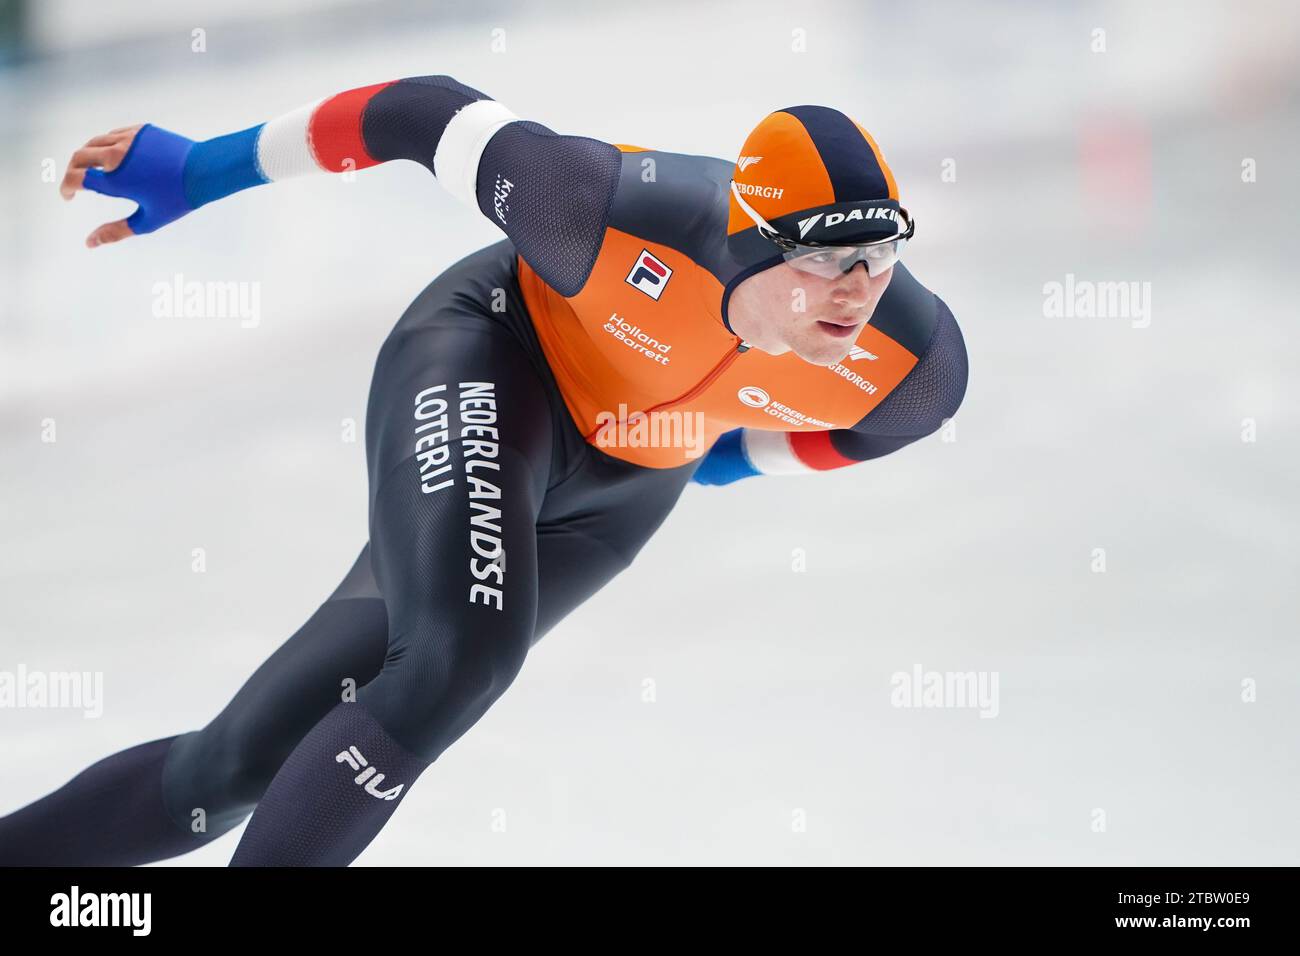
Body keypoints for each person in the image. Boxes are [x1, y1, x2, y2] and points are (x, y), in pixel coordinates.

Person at [0, 75, 968, 866]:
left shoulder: (913, 370)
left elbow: (869, 434)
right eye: (828, 256)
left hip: (629, 483)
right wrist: (198, 171)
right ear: (751, 237)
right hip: (491, 360)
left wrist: (727, 461)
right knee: (457, 663)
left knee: (228, 773)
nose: (859, 286)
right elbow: (416, 113)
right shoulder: (599, 208)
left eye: (883, 250)